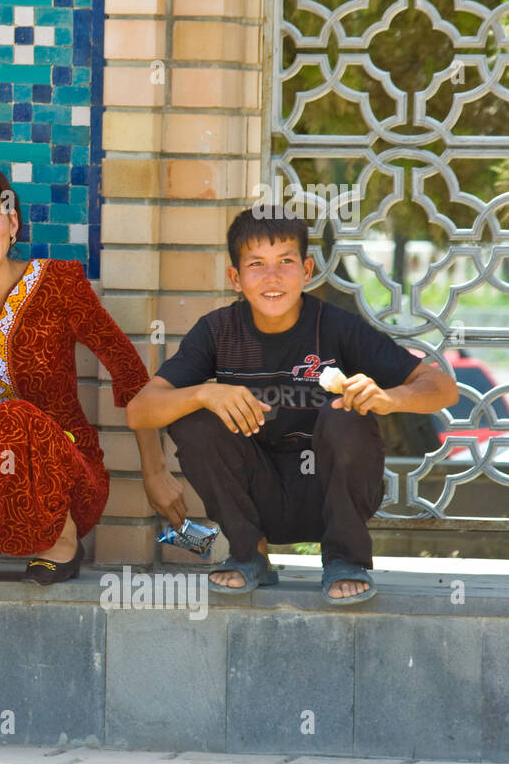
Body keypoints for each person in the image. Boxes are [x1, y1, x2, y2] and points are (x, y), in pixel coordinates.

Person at [126, 207, 458, 604]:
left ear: (306, 269)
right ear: (235, 278)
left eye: (285, 262)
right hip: (258, 494)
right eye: (256, 264)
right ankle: (249, 555)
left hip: (329, 492)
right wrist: (204, 393)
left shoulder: (336, 326)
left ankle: (345, 558)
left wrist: (389, 399)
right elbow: (141, 409)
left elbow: (442, 388)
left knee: (346, 414)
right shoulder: (217, 331)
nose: (272, 277)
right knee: (195, 419)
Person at [0, 162, 186, 584]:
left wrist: (155, 472)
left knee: (13, 415)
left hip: (65, 469)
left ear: (12, 223)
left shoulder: (60, 283)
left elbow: (129, 372)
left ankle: (61, 541)